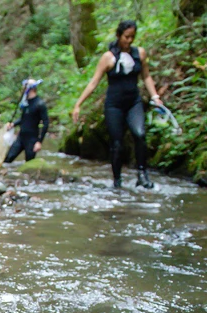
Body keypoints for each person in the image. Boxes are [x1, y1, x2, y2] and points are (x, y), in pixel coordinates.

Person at [71, 19, 162, 189]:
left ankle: (142, 174)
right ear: (119, 36)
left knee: (140, 134)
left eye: (132, 37)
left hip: (133, 102)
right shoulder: (108, 57)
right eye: (126, 37)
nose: (129, 40)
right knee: (117, 143)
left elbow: (146, 76)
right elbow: (94, 82)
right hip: (114, 105)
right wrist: (78, 104)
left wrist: (155, 96)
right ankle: (117, 180)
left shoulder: (140, 53)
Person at [4, 79, 49, 163]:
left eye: (24, 88)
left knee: (29, 163)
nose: (22, 90)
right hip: (21, 137)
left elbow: (46, 123)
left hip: (32, 140)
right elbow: (24, 118)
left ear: (30, 89)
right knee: (7, 160)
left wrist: (39, 142)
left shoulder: (39, 104)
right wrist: (13, 124)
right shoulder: (26, 103)